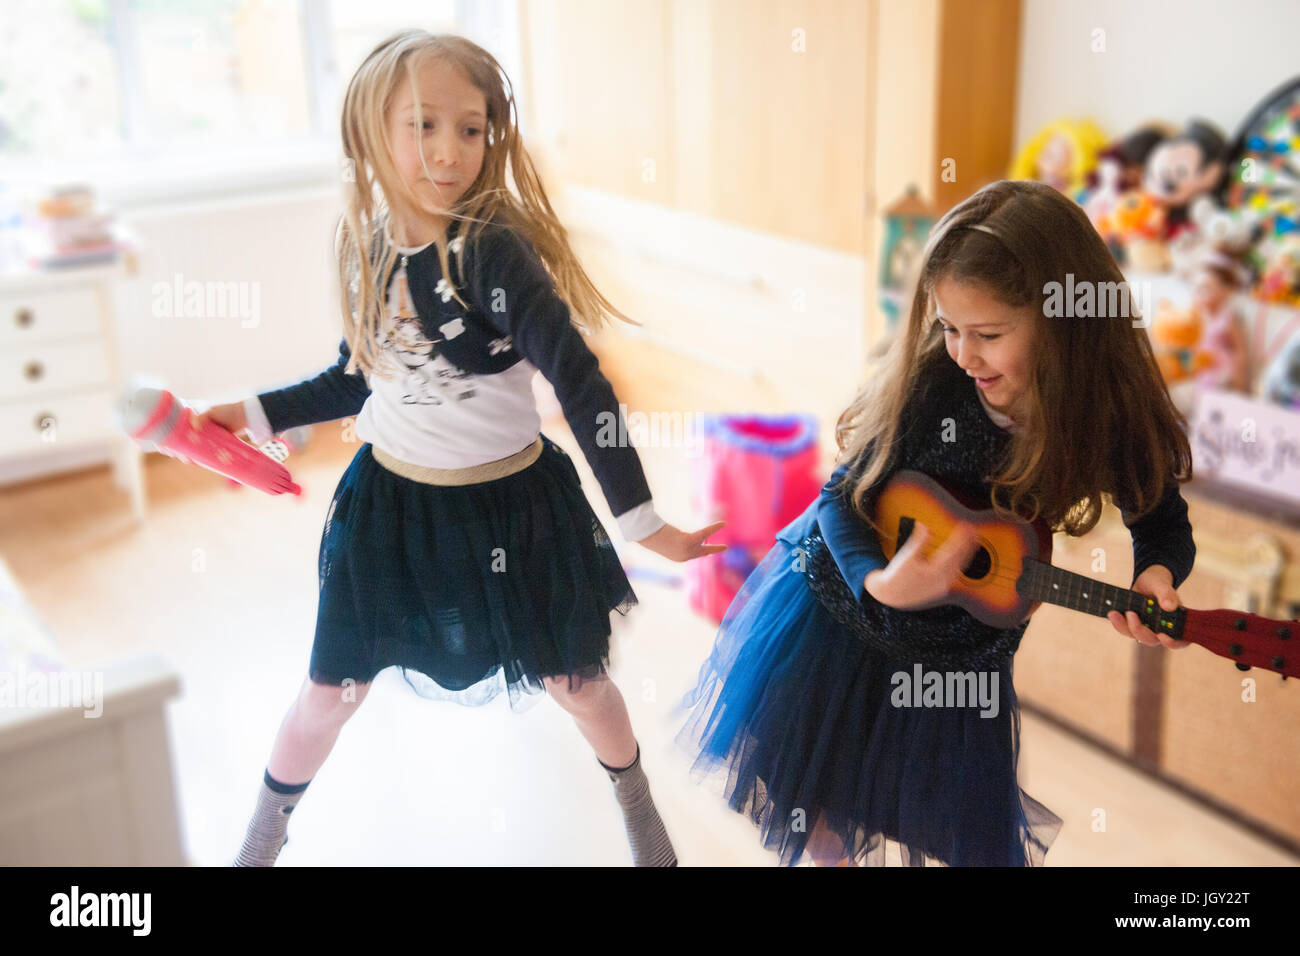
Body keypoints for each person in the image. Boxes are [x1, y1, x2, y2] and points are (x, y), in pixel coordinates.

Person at [187, 30, 724, 866]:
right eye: (423, 125)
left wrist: (642, 518)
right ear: (373, 130)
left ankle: (640, 812)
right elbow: (355, 380)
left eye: (470, 129)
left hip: (513, 504)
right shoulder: (367, 247)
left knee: (576, 684)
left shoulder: (489, 252)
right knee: (329, 692)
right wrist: (249, 411)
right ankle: (260, 840)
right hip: (392, 507)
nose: (448, 151)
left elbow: (579, 380)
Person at [675, 179, 1197, 867]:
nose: (962, 352)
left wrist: (1155, 572)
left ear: (1062, 321)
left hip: (960, 658)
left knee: (957, 831)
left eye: (987, 334)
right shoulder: (938, 381)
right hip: (840, 614)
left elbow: (1161, 521)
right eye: (949, 327)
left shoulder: (1105, 413)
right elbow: (839, 495)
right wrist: (880, 582)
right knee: (818, 807)